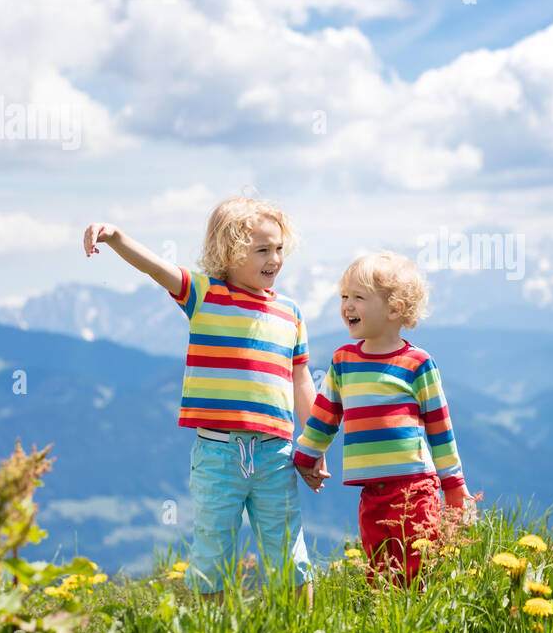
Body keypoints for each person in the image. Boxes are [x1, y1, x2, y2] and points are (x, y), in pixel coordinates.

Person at [82, 196, 324, 605]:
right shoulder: (204, 294)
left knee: (289, 554)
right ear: (228, 251)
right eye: (262, 249)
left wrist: (313, 445)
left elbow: (301, 380)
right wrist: (116, 237)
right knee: (212, 554)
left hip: (277, 454)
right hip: (218, 453)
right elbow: (154, 268)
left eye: (279, 248)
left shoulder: (290, 313)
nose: (275, 259)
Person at [293, 251, 472, 586]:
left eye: (358, 297)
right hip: (371, 492)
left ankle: (421, 626)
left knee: (420, 568)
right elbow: (324, 415)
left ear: (394, 309)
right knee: (381, 569)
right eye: (343, 296)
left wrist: (454, 484)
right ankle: (388, 628)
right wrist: (306, 453)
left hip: (415, 488)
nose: (347, 305)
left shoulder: (417, 363)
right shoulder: (343, 361)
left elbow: (440, 428)